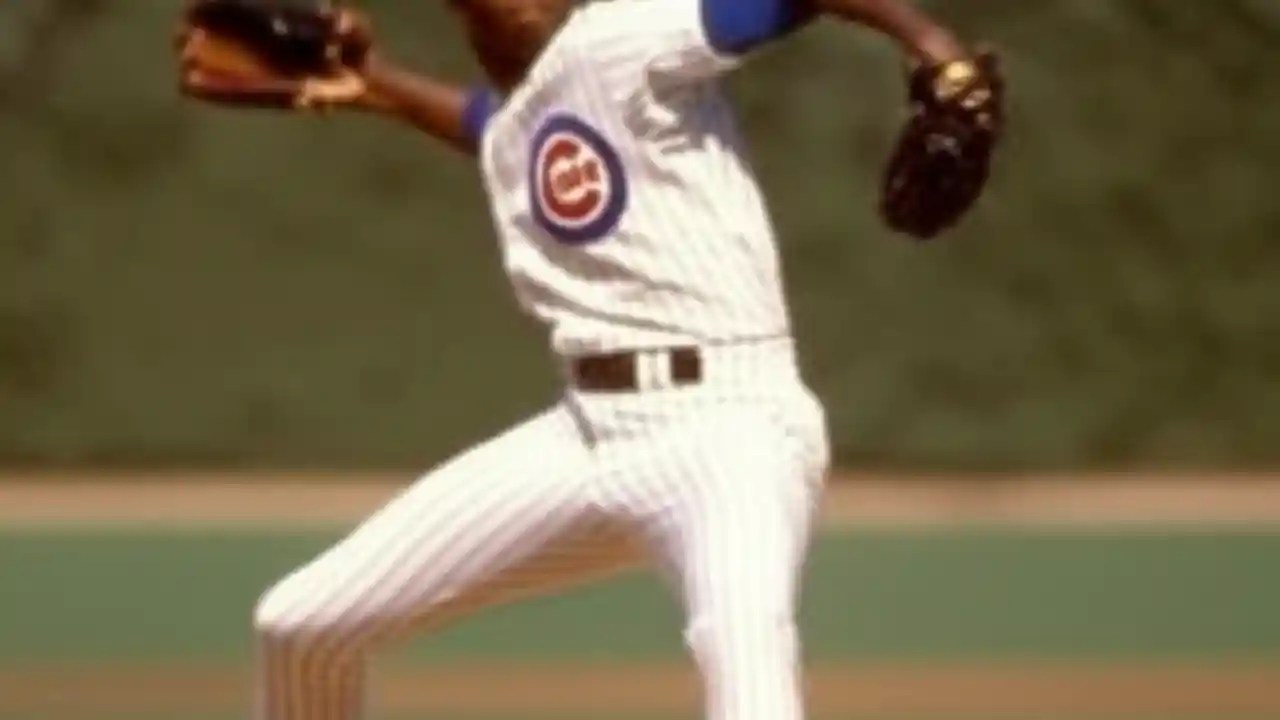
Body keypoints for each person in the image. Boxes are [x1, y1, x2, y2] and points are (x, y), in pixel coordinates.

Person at [230, 1, 980, 718]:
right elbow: (499, 127)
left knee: (748, 672)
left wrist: (932, 44)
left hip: (730, 432)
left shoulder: (619, 39)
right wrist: (379, 86)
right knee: (300, 624)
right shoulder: (531, 112)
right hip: (587, 436)